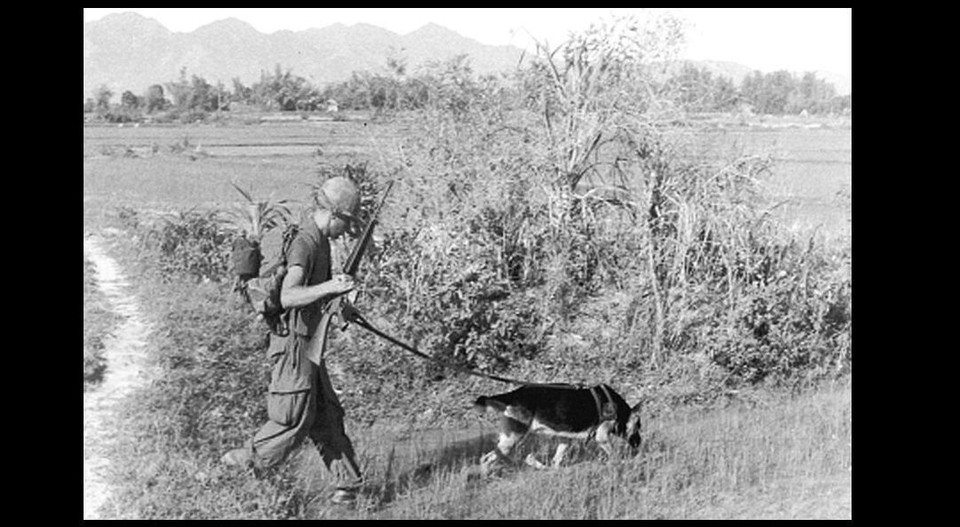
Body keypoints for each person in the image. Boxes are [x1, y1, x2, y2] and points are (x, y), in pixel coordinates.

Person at [221, 176, 364, 506]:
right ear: (335, 214)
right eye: (347, 222)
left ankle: (348, 490)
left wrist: (343, 307)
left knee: (327, 417)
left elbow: (314, 299)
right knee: (292, 422)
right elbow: (289, 296)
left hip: (308, 345)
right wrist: (332, 287)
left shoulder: (320, 240)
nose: (346, 230)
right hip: (292, 347)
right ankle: (235, 468)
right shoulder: (306, 243)